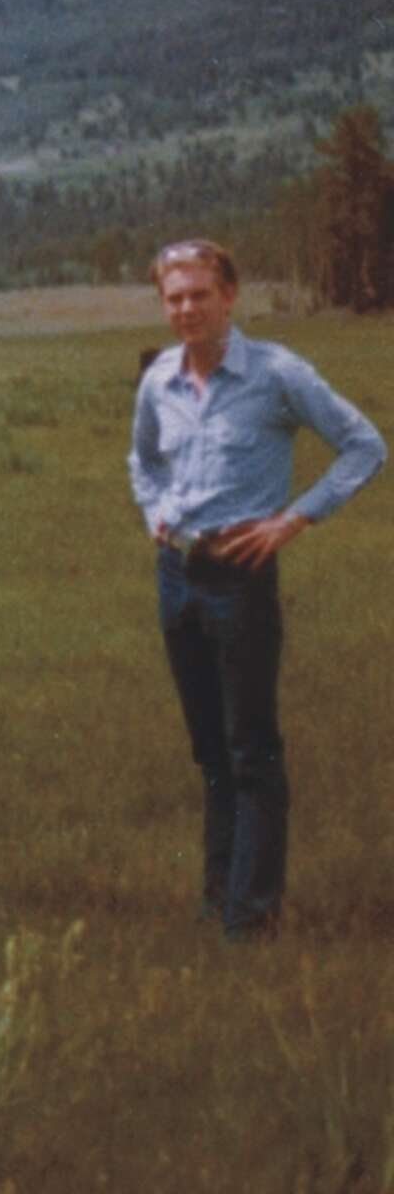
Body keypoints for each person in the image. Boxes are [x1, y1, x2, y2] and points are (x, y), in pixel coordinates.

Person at [128, 238, 382, 942]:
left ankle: (253, 917)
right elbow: (143, 459)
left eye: (199, 295)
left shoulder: (276, 374)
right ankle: (218, 901)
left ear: (229, 296)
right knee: (208, 750)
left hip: (240, 580)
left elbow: (364, 445)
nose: (186, 309)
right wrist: (154, 510)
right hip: (177, 575)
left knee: (251, 749)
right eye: (174, 298)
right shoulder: (158, 383)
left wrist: (293, 520)